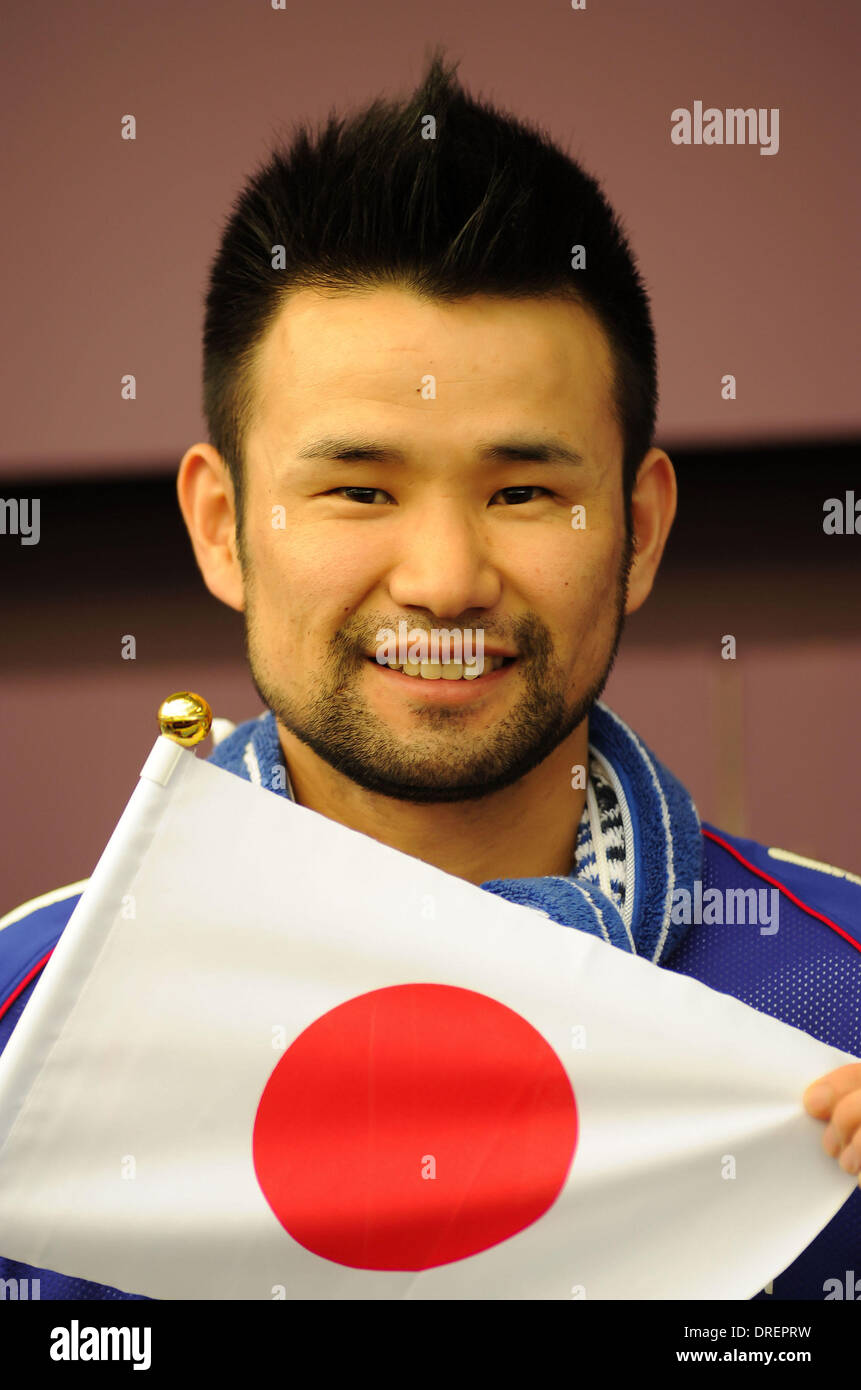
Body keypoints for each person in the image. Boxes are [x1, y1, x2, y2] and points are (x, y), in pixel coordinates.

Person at [1, 52, 858, 1301]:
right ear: (222, 525)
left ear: (641, 528)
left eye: (525, 492)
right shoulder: (27, 1027)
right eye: (359, 489)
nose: (447, 577)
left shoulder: (836, 995)